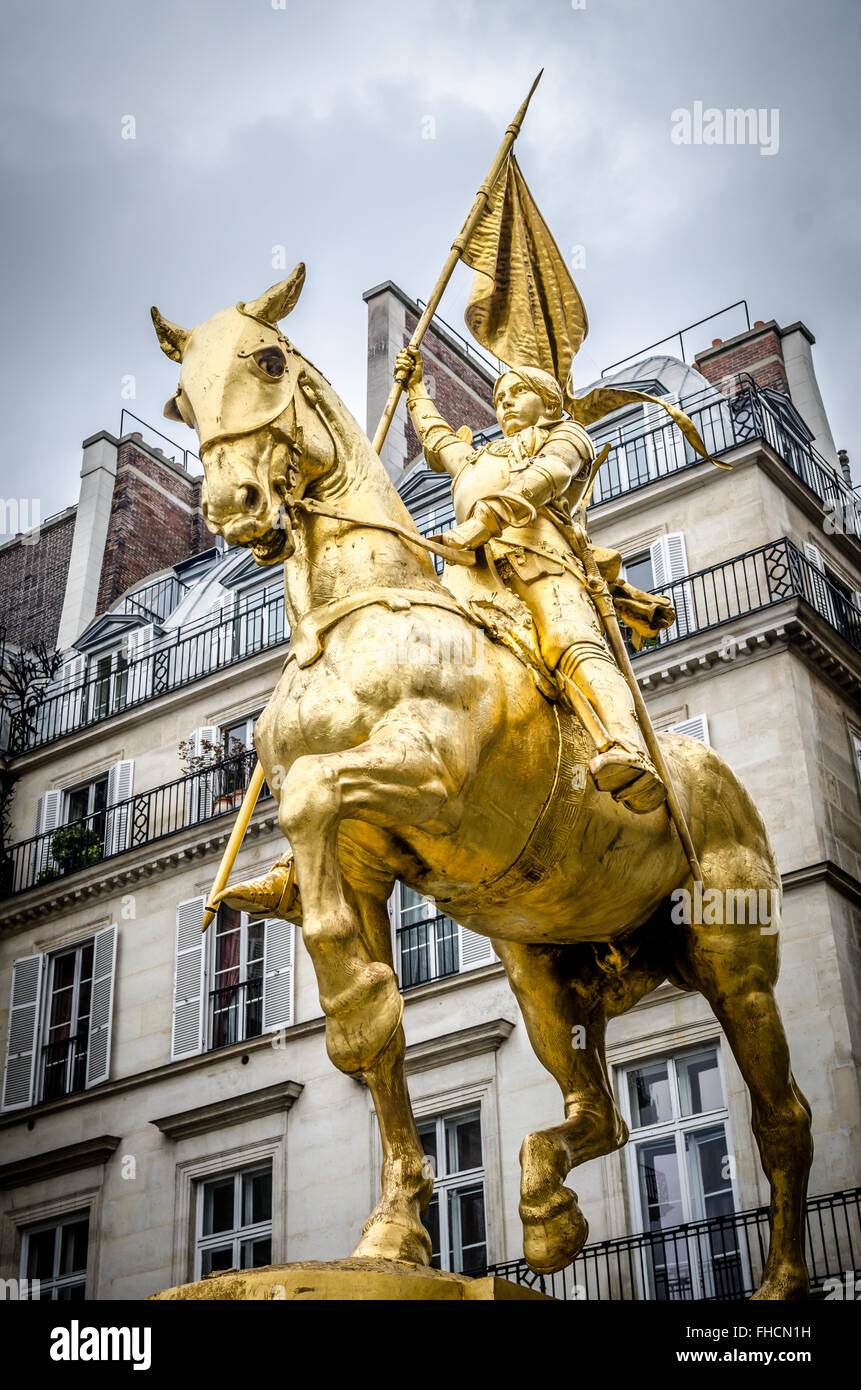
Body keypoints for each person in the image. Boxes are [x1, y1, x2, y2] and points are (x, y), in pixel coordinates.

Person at [396, 346, 668, 814]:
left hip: (541, 561)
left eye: (519, 391)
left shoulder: (566, 436)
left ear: (548, 401)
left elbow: (548, 477)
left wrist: (483, 521)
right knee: (412, 666)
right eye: (499, 395)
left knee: (569, 639)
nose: (504, 401)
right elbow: (439, 439)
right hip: (469, 575)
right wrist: (416, 387)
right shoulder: (478, 456)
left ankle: (627, 747)